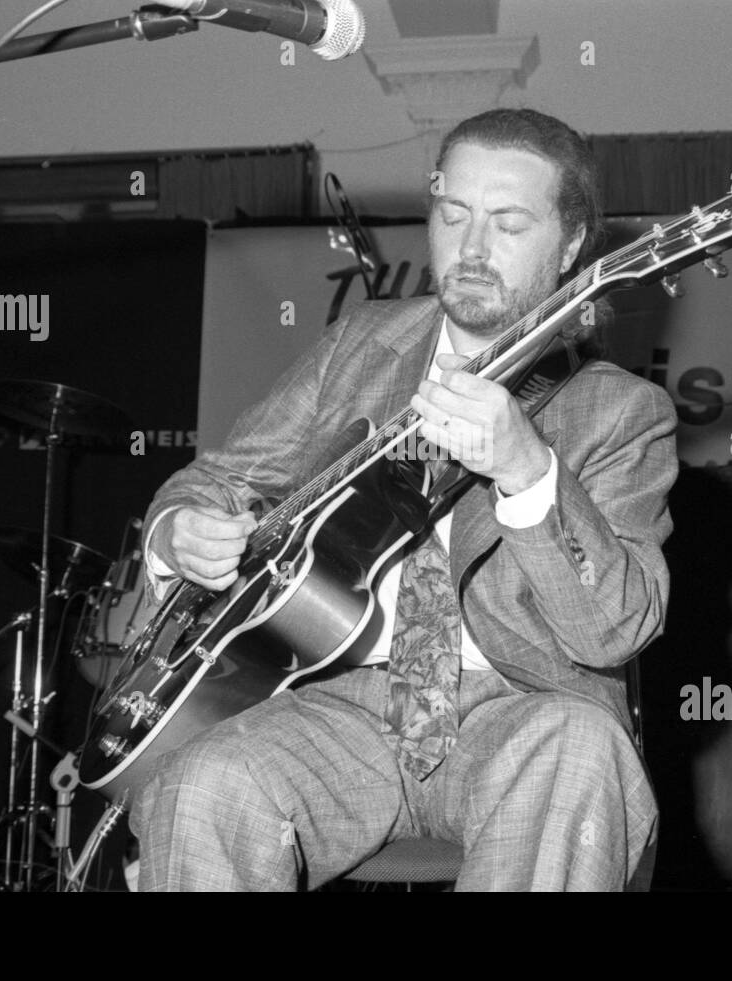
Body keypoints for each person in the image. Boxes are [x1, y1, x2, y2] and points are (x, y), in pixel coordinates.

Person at [128, 107, 677, 891]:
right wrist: (179, 532)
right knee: (201, 782)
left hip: (518, 713)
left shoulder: (621, 412)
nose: (473, 248)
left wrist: (529, 468)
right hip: (336, 709)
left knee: (581, 747)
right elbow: (215, 480)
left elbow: (616, 628)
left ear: (572, 244)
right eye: (453, 214)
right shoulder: (362, 343)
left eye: (510, 222)